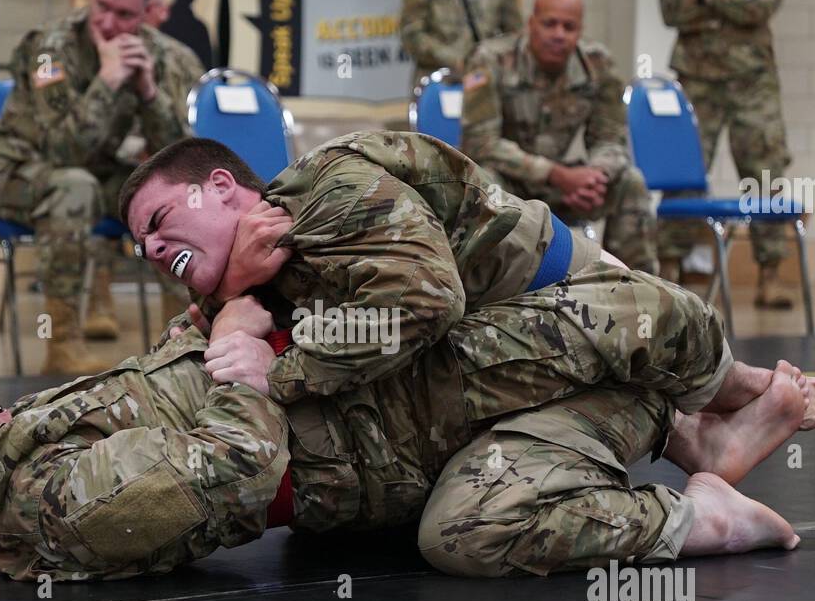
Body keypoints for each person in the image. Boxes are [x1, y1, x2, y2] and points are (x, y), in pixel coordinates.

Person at [0, 289, 815, 582]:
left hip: (341, 400)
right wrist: (237, 338)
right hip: (364, 440)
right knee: (619, 327)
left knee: (572, 320)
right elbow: (232, 468)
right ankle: (695, 476)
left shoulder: (23, 458)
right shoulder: (49, 502)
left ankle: (700, 432)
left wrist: (206, 328)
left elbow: (158, 402)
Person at [120, 131, 618, 407]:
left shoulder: (330, 187)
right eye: (144, 249)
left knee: (686, 418)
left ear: (222, 185)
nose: (156, 249)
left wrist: (282, 371)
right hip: (508, 333)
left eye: (159, 222)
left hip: (578, 289)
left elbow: (426, 303)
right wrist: (231, 288)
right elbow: (166, 366)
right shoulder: (239, 281)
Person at [0, 0, 203, 375]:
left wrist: (149, 93)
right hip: (13, 168)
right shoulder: (49, 49)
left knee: (170, 192)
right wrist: (108, 80)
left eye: (126, 14)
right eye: (103, 7)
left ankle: (187, 331)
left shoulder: (162, 55)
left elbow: (179, 159)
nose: (110, 23)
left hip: (91, 172)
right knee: (74, 185)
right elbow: (62, 150)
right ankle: (62, 342)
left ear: (147, 11)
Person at [461, 0, 659, 273]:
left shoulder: (597, 64)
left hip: (568, 189)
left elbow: (611, 141)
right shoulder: (490, 60)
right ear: (531, 23)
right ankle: (494, 295)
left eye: (569, 27)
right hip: (510, 185)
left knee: (630, 182)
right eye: (549, 24)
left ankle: (632, 293)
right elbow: (481, 143)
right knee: (486, 186)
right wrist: (557, 175)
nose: (558, 35)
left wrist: (594, 177)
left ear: (580, 30)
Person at [656, 0, 796, 307]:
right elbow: (669, 9)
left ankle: (769, 277)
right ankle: (670, 272)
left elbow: (761, 8)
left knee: (765, 173)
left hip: (754, 80)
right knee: (683, 175)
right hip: (697, 78)